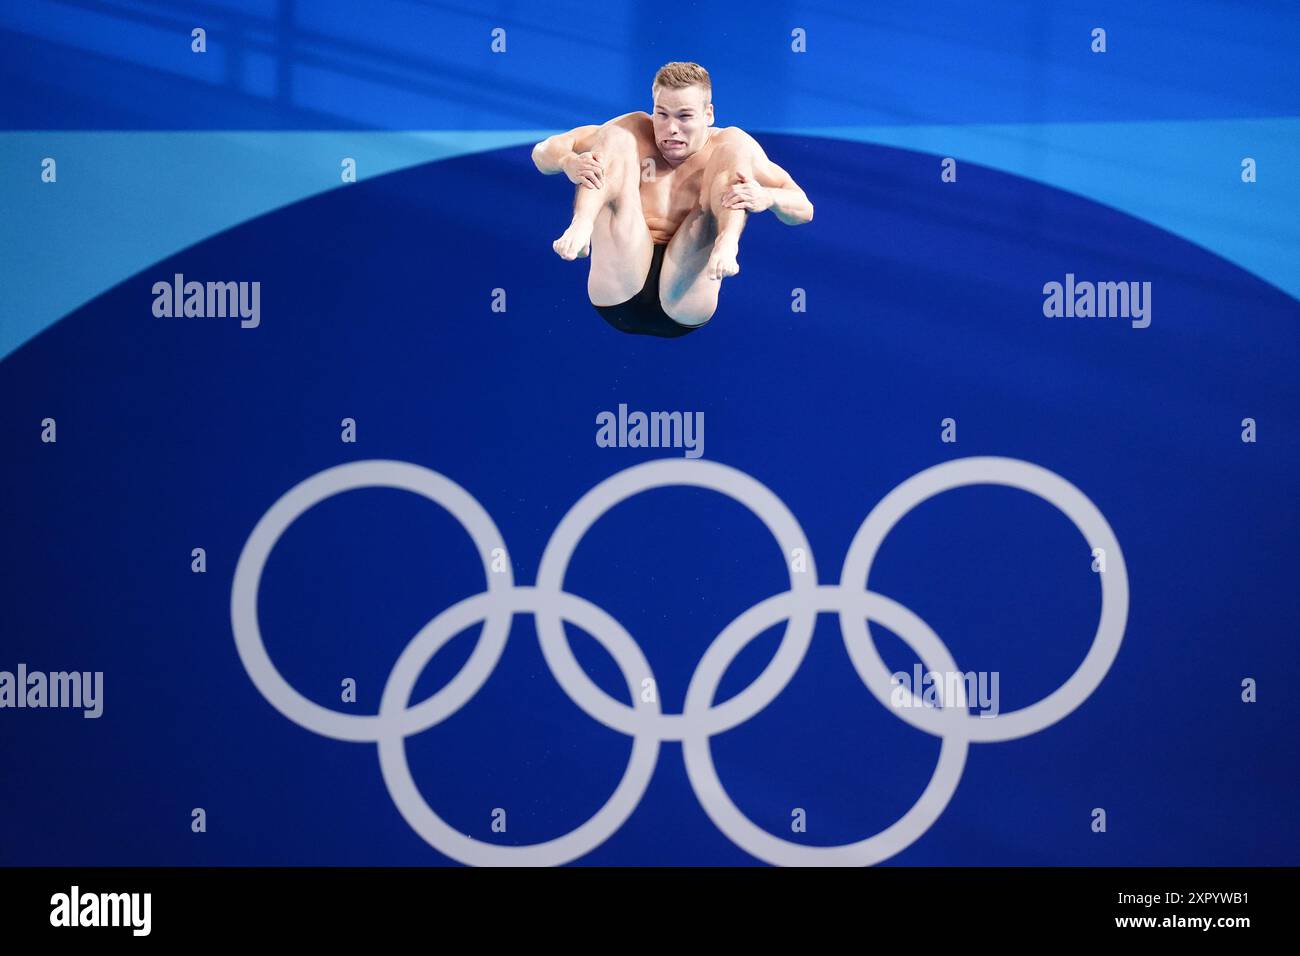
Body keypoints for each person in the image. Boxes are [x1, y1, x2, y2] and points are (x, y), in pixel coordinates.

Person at [531, 61, 814, 338]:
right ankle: (582, 224)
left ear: (708, 114)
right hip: (619, 280)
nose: (671, 129)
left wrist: (768, 197)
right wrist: (568, 162)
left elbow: (804, 209)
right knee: (618, 135)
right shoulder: (636, 129)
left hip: (686, 291)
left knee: (734, 149)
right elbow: (543, 151)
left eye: (684, 117)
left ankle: (727, 243)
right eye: (662, 115)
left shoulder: (727, 143)